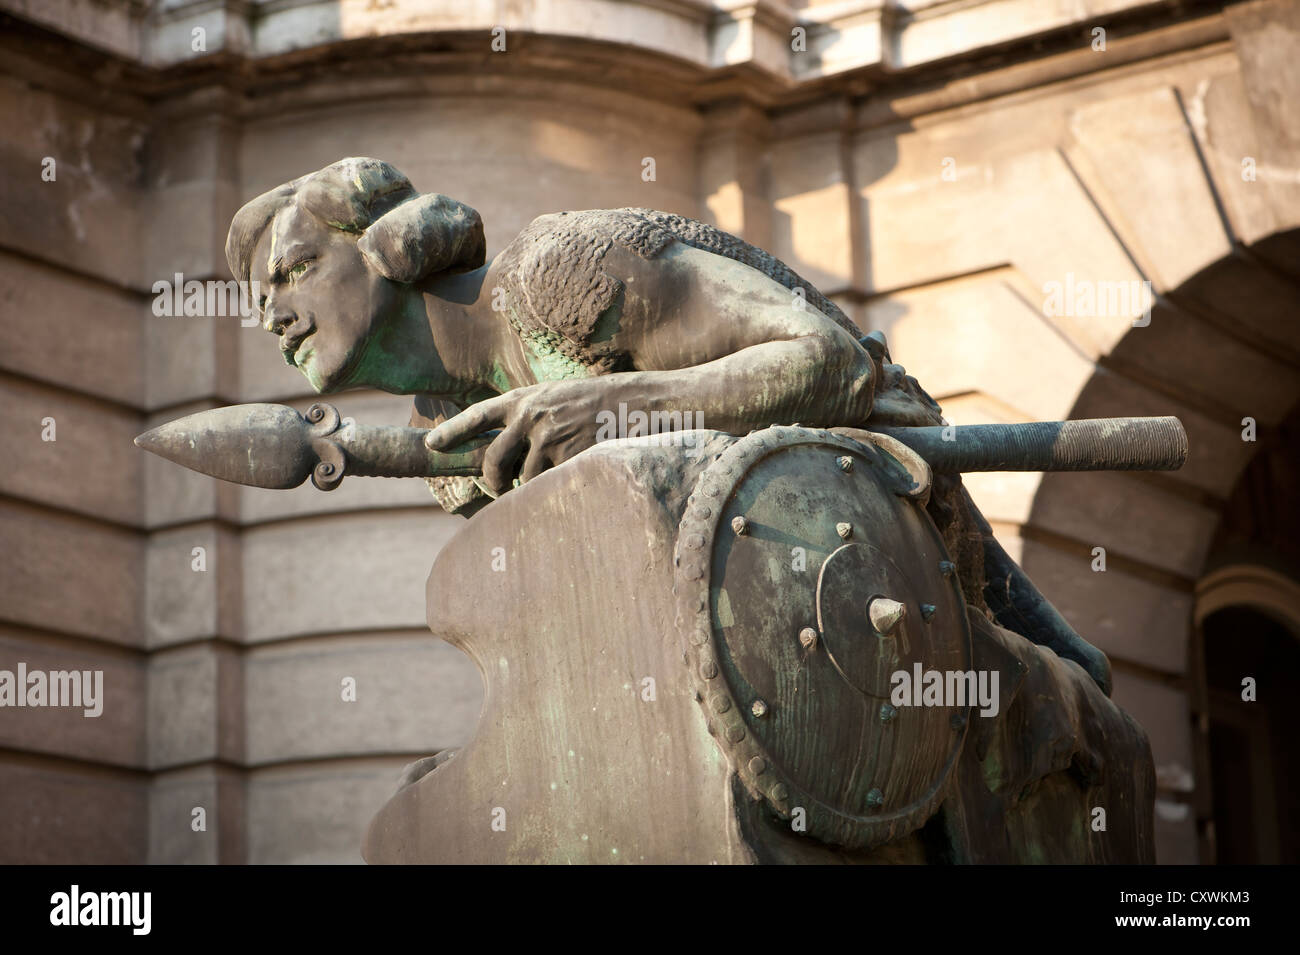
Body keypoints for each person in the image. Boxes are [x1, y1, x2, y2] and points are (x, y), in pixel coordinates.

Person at [226, 157, 1111, 693]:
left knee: (1067, 674)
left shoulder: (561, 272)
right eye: (261, 296)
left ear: (392, 245)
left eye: (295, 270)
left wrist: (608, 405)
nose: (273, 314)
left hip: (887, 523)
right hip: (737, 636)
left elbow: (831, 363)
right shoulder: (451, 447)